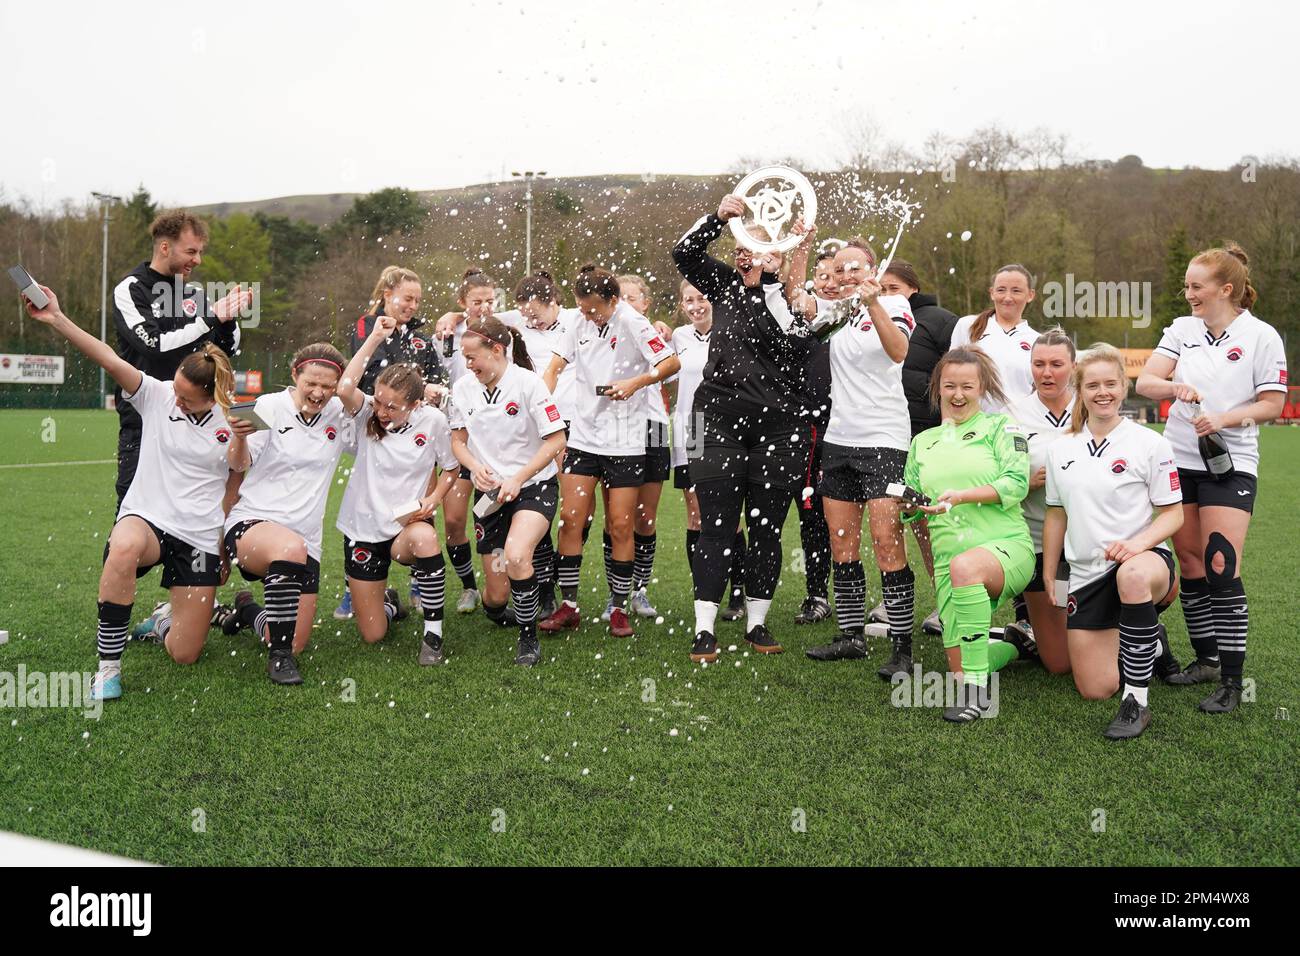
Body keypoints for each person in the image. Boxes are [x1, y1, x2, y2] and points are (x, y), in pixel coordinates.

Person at [24, 286, 236, 700]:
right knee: (122, 547)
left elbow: (235, 487)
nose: (175, 399)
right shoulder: (157, 396)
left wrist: (223, 545)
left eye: (186, 398)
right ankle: (108, 668)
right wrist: (58, 319)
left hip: (197, 534)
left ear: (211, 398)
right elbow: (108, 357)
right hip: (149, 518)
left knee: (184, 654)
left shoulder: (234, 424)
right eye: (174, 389)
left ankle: (163, 623)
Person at [1136, 243, 1288, 713]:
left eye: (1196, 286)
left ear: (1226, 289)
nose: (1188, 294)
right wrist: (1173, 386)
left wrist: (1222, 419)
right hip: (1179, 461)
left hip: (1231, 461)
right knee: (1192, 561)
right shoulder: (1182, 330)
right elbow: (1146, 382)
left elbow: (1272, 405)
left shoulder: (1262, 336)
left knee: (1221, 562)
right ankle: (1206, 660)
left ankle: (1233, 682)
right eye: (1186, 285)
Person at [672, 195, 810, 661]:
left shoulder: (796, 303)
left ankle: (757, 622)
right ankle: (705, 627)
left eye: (763, 249)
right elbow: (684, 254)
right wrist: (717, 218)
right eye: (743, 246)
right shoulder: (723, 285)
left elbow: (796, 345)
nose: (748, 254)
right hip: (714, 422)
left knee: (767, 527)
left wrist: (782, 277)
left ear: (781, 258)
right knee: (716, 526)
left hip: (779, 428)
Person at [1044, 345, 1185, 739]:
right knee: (1094, 688)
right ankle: (1150, 641)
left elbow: (1174, 514)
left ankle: (1136, 702)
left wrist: (1138, 544)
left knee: (1133, 577)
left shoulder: (1149, 443)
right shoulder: (1061, 449)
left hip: (1142, 563)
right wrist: (1052, 572)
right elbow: (1056, 514)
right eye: (1092, 385)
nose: (1102, 392)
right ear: (1080, 390)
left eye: (1111, 384)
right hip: (1087, 573)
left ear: (1124, 387)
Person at [795, 238, 919, 678]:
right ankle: (850, 636)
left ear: (871, 269)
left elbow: (899, 352)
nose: (847, 276)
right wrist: (801, 250)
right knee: (842, 540)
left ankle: (902, 648)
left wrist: (874, 306)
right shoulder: (836, 313)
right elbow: (799, 303)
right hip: (839, 440)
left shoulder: (893, 304)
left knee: (887, 540)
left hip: (884, 438)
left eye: (855, 268)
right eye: (840, 269)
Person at [897, 348, 1037, 722]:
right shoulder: (922, 443)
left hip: (1007, 549)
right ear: (938, 389)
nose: (958, 394)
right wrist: (909, 507)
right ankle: (1016, 646)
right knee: (960, 665)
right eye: (950, 386)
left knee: (966, 568)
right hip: (949, 564)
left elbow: (1016, 483)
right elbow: (914, 503)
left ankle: (976, 695)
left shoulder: (1002, 429)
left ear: (982, 388)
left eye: (967, 386)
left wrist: (961, 497)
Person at [539, 266, 679, 638]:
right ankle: (569, 606)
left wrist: (637, 381)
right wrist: (540, 406)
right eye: (581, 308)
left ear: (613, 301)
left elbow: (670, 363)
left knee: (620, 524)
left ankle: (619, 607)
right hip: (583, 438)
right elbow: (554, 367)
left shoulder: (632, 321)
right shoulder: (578, 321)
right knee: (571, 519)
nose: (585, 315)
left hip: (625, 440)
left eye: (593, 309)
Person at [218, 343, 351, 682]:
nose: (319, 392)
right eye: (311, 383)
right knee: (289, 549)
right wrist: (239, 438)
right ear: (295, 376)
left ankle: (248, 611)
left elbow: (376, 419)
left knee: (296, 641)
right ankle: (279, 661)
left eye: (327, 386)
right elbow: (237, 465)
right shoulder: (265, 405)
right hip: (253, 523)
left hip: (306, 539)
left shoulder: (339, 412)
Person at [335, 317, 461, 663]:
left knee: (426, 539)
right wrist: (375, 337)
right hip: (362, 528)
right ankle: (390, 604)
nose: (382, 411)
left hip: (405, 526)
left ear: (416, 405)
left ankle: (433, 635)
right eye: (379, 401)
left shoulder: (433, 422)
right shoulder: (366, 416)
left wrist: (433, 500)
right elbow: (346, 387)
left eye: (392, 406)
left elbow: (452, 467)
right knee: (373, 635)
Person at [449, 317, 568, 666]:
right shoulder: (462, 389)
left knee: (516, 555)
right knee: (497, 596)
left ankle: (528, 639)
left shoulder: (529, 384)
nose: (468, 365)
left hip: (533, 486)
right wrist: (474, 466)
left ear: (497, 350)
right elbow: (458, 441)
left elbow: (557, 439)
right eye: (464, 358)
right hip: (489, 497)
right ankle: (509, 605)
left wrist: (519, 476)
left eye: (473, 357)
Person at [110, 210, 248, 507]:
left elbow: (228, 350)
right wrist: (209, 318)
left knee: (195, 511)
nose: (197, 260)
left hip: (197, 422)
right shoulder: (132, 289)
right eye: (191, 251)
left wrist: (225, 321)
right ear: (164, 248)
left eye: (200, 252)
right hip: (146, 422)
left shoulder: (195, 294)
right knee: (133, 511)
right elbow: (154, 345)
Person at [334, 266, 447, 620]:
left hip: (416, 431)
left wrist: (431, 391)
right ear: (387, 294)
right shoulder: (370, 327)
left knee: (417, 501)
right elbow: (367, 377)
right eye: (406, 298)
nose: (412, 305)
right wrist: (394, 399)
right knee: (365, 498)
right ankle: (356, 587)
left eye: (417, 300)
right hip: (375, 423)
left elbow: (438, 381)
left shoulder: (422, 339)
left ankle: (418, 575)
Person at [880, 259, 958, 637]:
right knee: (889, 518)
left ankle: (947, 602)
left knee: (929, 521)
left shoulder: (941, 320)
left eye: (892, 288)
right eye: (881, 289)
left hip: (923, 434)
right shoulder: (868, 317)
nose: (886, 296)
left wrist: (946, 425)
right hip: (883, 432)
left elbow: (956, 375)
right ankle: (895, 596)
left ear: (912, 288)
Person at [1004, 329, 1076, 675]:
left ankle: (1142, 632)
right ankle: (1027, 632)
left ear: (1073, 367)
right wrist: (1028, 482)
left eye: (1057, 364)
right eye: (1039, 364)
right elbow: (1001, 479)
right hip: (1038, 544)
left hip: (1089, 543)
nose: (1047, 373)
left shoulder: (1091, 407)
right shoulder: (1013, 415)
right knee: (1059, 664)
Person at [431, 270, 500, 615]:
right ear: (462, 303)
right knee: (455, 521)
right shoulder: (446, 333)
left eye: (490, 300)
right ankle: (469, 587)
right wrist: (453, 318)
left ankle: (501, 583)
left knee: (488, 515)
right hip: (457, 436)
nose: (485, 307)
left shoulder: (504, 329)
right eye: (477, 302)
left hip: (494, 439)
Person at [611, 274, 673, 619]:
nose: (624, 303)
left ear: (646, 304)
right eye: (619, 297)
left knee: (645, 518)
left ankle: (640, 590)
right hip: (617, 430)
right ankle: (614, 594)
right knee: (616, 520)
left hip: (654, 430)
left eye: (632, 298)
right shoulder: (605, 336)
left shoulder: (664, 336)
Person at [950, 264, 1039, 411]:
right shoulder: (967, 326)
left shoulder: (1038, 341)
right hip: (972, 424)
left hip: (1018, 427)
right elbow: (950, 377)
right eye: (1001, 290)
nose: (1007, 297)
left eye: (1016, 291)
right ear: (992, 293)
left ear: (1030, 295)